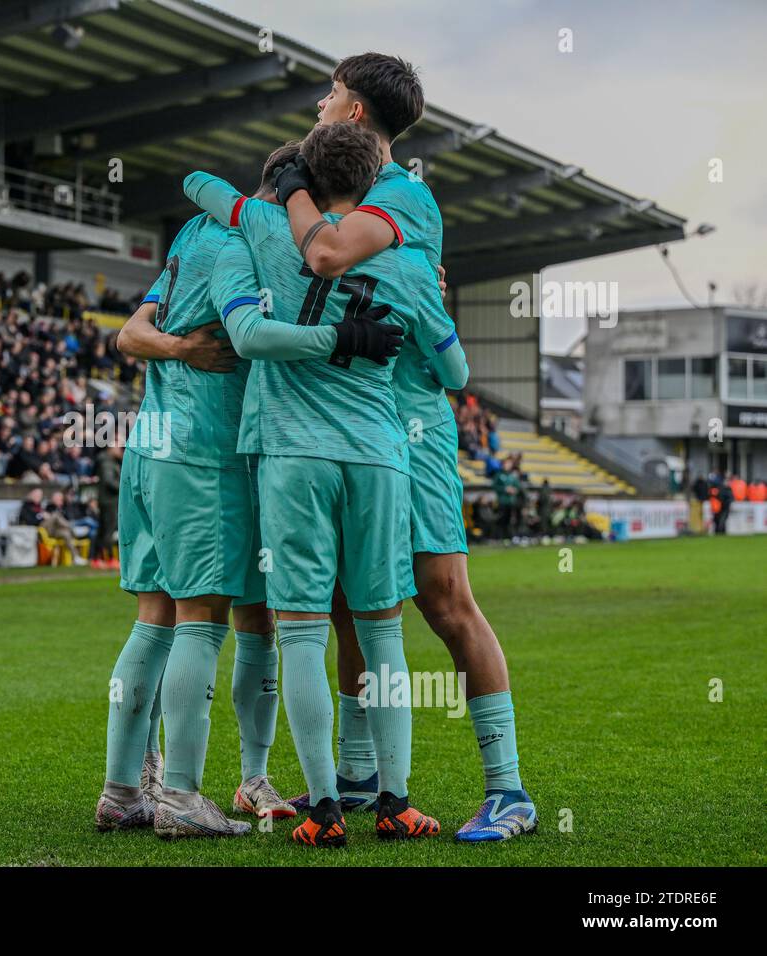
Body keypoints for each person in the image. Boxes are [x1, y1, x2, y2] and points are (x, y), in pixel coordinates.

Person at [273, 53, 535, 841]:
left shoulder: (404, 197)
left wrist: (284, 189)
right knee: (353, 605)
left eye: (331, 93)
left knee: (443, 599)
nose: (320, 102)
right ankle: (356, 775)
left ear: (354, 112)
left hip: (411, 428)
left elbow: (324, 255)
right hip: (357, 430)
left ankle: (510, 790)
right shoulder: (344, 197)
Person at [183, 118, 461, 847]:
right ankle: (398, 801)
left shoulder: (268, 231)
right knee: (384, 634)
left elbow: (200, 185)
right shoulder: (406, 260)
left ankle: (325, 810)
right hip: (379, 456)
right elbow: (454, 372)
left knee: (302, 632)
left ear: (300, 181)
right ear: (374, 186)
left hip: (293, 456)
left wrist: (284, 184)